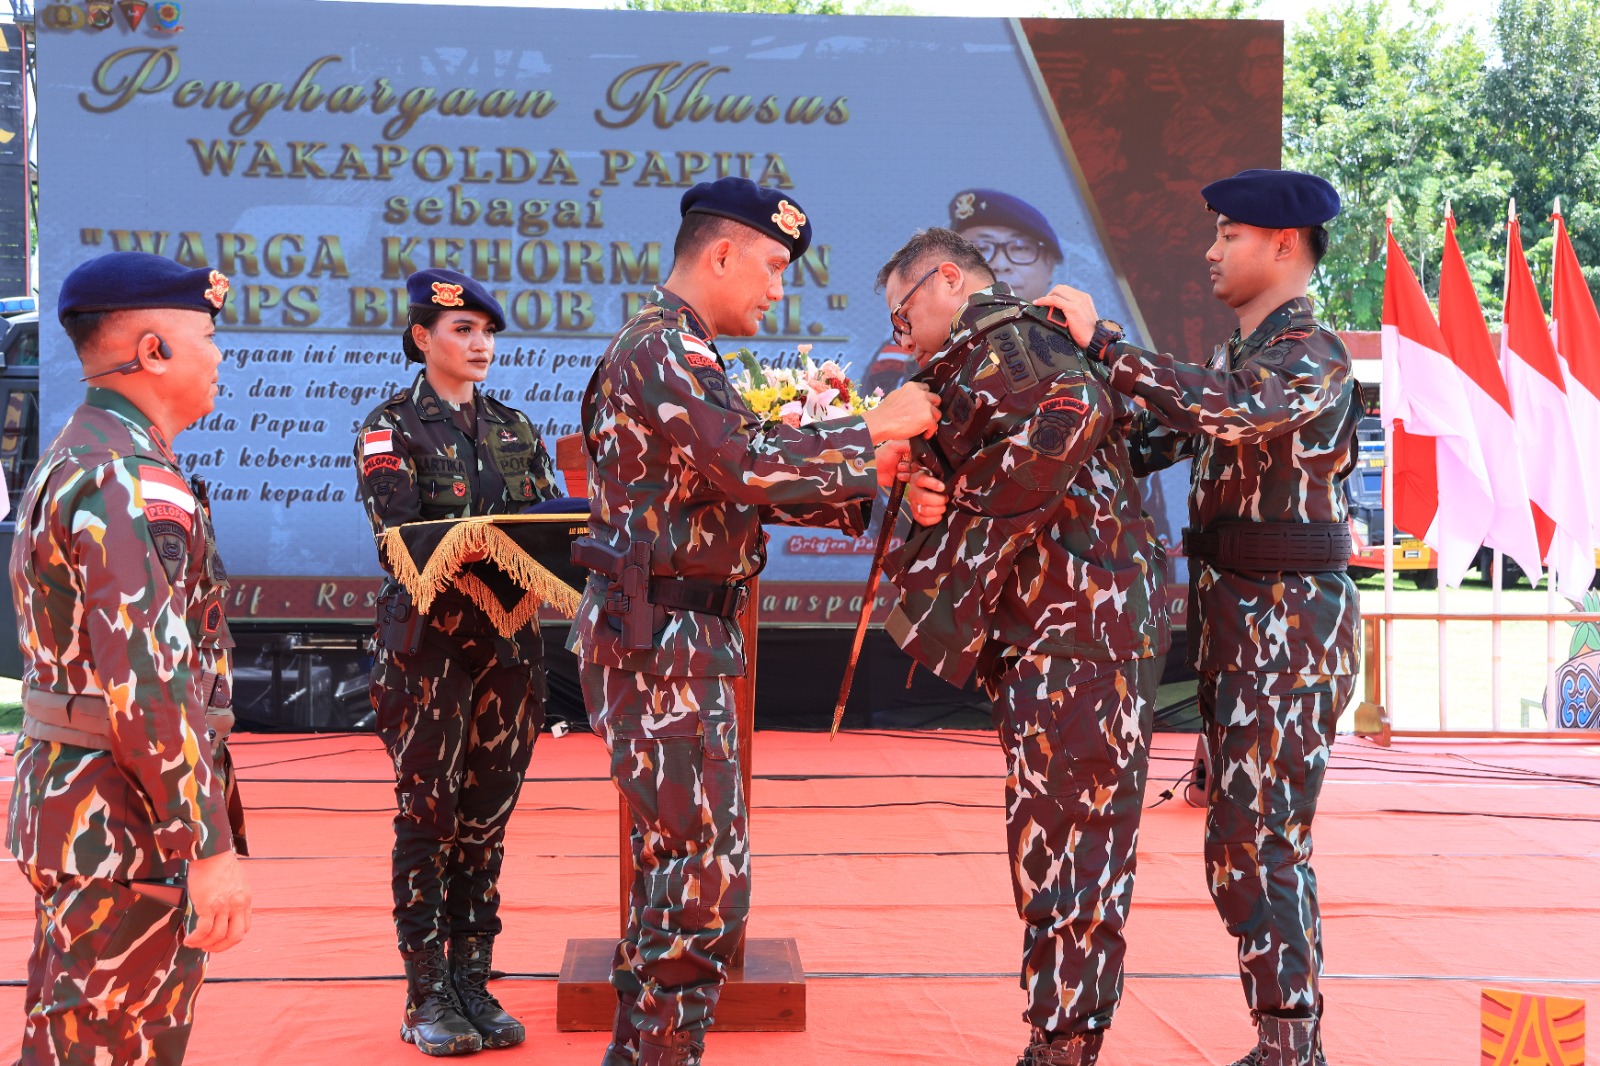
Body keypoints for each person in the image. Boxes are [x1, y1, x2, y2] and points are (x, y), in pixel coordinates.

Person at [568, 176, 941, 1066]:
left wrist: (876, 474)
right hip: (666, 645)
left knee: (684, 876)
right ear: (722, 253)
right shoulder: (664, 351)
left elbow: (728, 490)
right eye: (772, 266)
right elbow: (744, 463)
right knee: (701, 885)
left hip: (676, 639)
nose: (779, 288)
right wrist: (872, 427)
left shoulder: (677, 352)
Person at [1036, 169, 1360, 1066]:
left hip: (1290, 630)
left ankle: (1294, 1044)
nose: (1212, 253)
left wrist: (1105, 344)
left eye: (1230, 236)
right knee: (1237, 840)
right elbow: (1149, 439)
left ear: (1284, 245)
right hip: (1237, 627)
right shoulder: (1233, 360)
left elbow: (1223, 414)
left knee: (1262, 837)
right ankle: (1285, 1033)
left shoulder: (1311, 356)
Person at [875, 228, 1168, 1066]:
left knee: (1073, 840)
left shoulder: (1008, 340)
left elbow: (1073, 416)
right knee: (1051, 836)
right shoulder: (969, 359)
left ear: (947, 278)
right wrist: (928, 485)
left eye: (904, 314)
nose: (902, 336)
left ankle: (1067, 1040)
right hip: (1051, 632)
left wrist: (959, 501)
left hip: (1080, 632)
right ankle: (1060, 1032)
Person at [8, 250, 251, 1064]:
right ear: (153, 351)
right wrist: (206, 847)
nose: (220, 356)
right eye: (208, 336)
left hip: (84, 808)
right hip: (125, 821)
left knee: (78, 1035)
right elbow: (150, 685)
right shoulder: (128, 478)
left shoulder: (81, 455)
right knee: (115, 1045)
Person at [354, 268, 562, 1057]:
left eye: (487, 333)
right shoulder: (389, 428)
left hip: (510, 651)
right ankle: (426, 994)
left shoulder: (515, 427)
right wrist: (497, 552)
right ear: (422, 338)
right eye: (462, 332)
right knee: (428, 819)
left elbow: (552, 524)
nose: (480, 346)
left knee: (486, 821)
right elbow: (400, 537)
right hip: (430, 653)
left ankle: (474, 980)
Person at [949, 188, 1064, 304]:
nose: (1000, 265)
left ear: (1050, 266)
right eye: (981, 248)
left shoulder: (1079, 321)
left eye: (1020, 248)